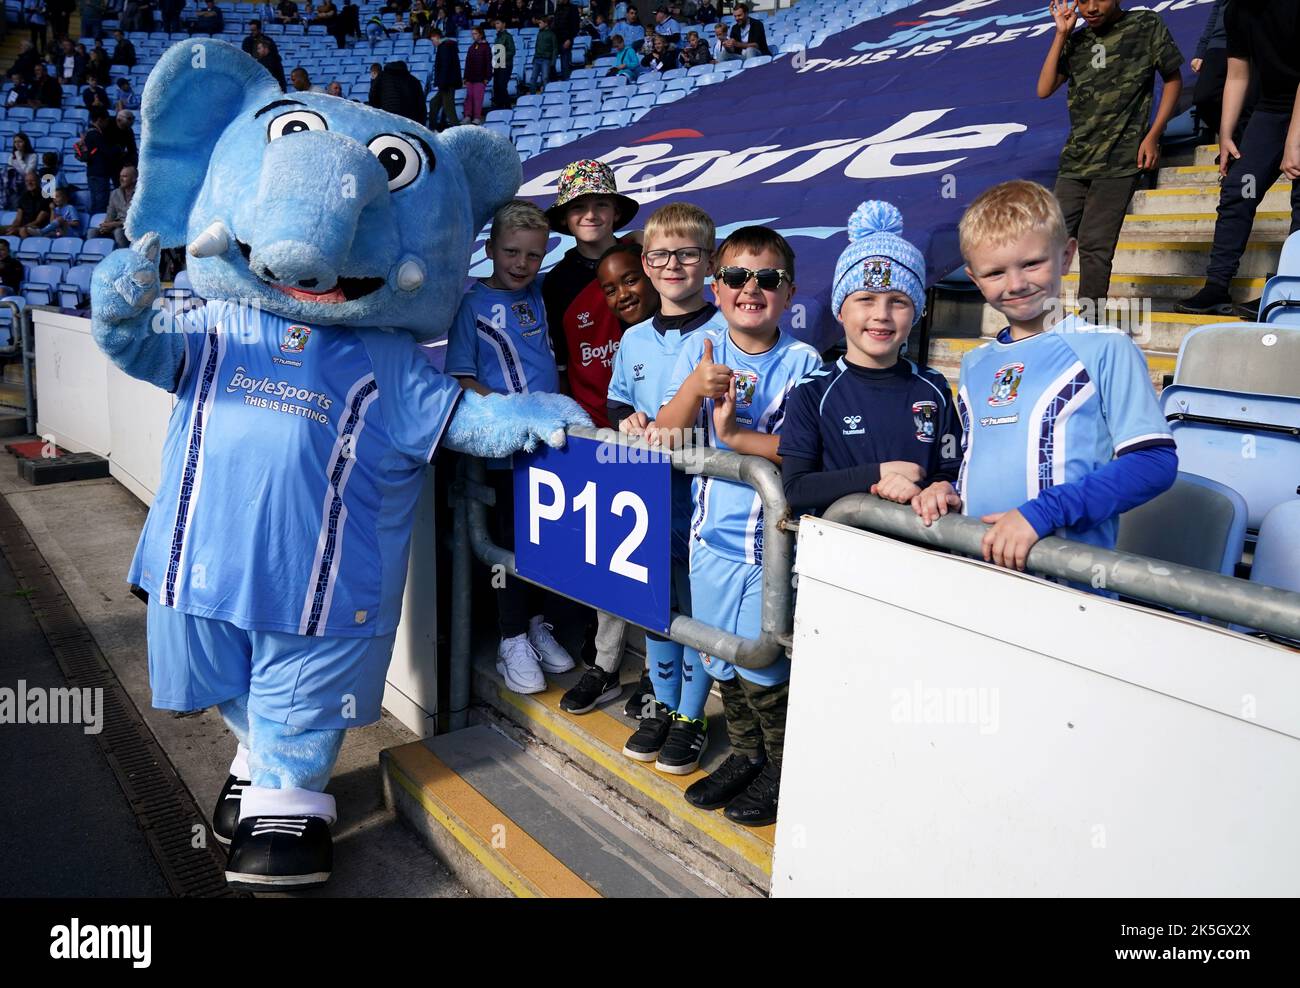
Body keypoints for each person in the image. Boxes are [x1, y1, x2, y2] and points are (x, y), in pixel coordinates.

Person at [913, 180, 1177, 575]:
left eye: (1032, 263)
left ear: (1067, 255)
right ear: (974, 278)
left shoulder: (1106, 347)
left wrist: (1044, 513)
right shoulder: (975, 363)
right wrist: (945, 489)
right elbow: (973, 460)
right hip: (975, 567)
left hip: (1067, 580)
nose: (1016, 284)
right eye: (995, 272)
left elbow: (1154, 462)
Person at [653, 226, 822, 824]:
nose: (752, 288)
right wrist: (694, 391)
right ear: (716, 288)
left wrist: (734, 437)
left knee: (761, 662)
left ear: (789, 290)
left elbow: (803, 451)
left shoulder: (804, 362)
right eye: (736, 277)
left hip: (766, 544)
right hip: (708, 541)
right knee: (722, 659)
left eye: (768, 278)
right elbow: (663, 440)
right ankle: (748, 755)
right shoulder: (699, 351)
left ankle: (782, 770)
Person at [576, 209, 716, 770]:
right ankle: (661, 703)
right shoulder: (633, 338)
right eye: (660, 256)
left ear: (709, 259)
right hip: (650, 499)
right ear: (646, 264)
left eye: (686, 254)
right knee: (657, 605)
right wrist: (629, 420)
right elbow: (616, 403)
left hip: (707, 503)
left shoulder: (725, 330)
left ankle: (693, 716)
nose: (673, 265)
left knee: (700, 610)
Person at [445, 200, 578, 695]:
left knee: (545, 541)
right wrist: (513, 411)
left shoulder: (539, 293)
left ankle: (537, 623)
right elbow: (459, 376)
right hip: (504, 449)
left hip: (548, 446)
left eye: (532, 255)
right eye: (511, 252)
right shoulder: (470, 306)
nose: (522, 264)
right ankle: (510, 637)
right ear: (490, 249)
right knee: (506, 545)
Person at [780, 199, 962, 524]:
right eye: (865, 299)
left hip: (920, 559)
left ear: (918, 311)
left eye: (898, 301)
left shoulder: (933, 387)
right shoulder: (812, 391)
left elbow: (950, 470)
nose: (881, 315)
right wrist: (878, 475)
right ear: (839, 310)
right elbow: (796, 488)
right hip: (835, 564)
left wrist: (935, 488)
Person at [542, 160, 641, 692]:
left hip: (654, 425)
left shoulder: (646, 257)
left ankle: (656, 668)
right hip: (591, 427)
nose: (591, 214)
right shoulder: (555, 282)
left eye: (600, 203)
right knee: (604, 549)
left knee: (659, 552)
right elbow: (560, 359)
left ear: (615, 209)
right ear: (566, 217)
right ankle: (606, 660)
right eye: (579, 206)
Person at [1037, 0, 1183, 314]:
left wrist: (1154, 135)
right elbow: (1044, 88)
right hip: (1076, 159)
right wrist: (1062, 34)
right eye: (1083, 0)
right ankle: (1039, 317)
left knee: (1094, 246)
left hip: (1120, 159)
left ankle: (1088, 321)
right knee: (1048, 241)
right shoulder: (1077, 40)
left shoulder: (1145, 25)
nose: (1090, 7)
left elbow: (1173, 80)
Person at [1176, 0, 1299, 319]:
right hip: (1271, 108)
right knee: (1240, 188)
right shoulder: (1238, 11)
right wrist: (1227, 134)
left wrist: (1294, 141)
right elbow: (1238, 74)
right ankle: (1217, 286)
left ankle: (1290, 293)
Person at [81, 108, 121, 215]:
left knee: (95, 201)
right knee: (101, 203)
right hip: (100, 173)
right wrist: (118, 148)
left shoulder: (88, 133)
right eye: (106, 120)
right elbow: (106, 151)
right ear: (100, 119)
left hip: (91, 172)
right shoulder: (96, 134)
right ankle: (99, 228)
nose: (107, 123)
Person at [426, 28, 461, 129]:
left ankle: (459, 130)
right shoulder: (447, 46)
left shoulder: (444, 47)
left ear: (437, 37)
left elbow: (445, 66)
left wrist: (442, 82)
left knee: (449, 108)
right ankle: (433, 128)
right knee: (434, 103)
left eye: (432, 40)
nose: (432, 43)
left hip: (447, 83)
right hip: (447, 82)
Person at [96, 164, 137, 247]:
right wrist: (106, 226)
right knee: (93, 232)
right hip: (115, 227)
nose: (121, 179)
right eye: (120, 176)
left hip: (133, 229)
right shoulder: (115, 193)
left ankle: (123, 257)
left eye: (125, 176)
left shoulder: (140, 195)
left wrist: (115, 224)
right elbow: (110, 215)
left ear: (134, 179)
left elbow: (137, 221)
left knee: (119, 232)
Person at [3, 169, 50, 237]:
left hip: (37, 228)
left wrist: (18, 229)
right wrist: (13, 227)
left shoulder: (46, 198)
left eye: (32, 181)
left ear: (39, 181)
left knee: (23, 230)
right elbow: (18, 219)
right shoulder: (23, 197)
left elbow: (38, 221)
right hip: (21, 226)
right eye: (27, 181)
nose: (29, 183)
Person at [460, 25, 492, 125]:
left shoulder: (486, 47)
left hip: (481, 78)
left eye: (475, 33)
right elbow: (467, 63)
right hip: (470, 77)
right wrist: (465, 77)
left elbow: (488, 63)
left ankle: (477, 117)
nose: (473, 36)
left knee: (478, 98)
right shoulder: (471, 47)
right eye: (472, 34)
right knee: (469, 98)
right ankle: (467, 116)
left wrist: (487, 77)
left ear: (481, 34)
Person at [5, 133, 38, 210]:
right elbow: (10, 171)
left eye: (20, 141)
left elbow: (27, 172)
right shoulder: (12, 156)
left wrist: (19, 158)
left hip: (28, 185)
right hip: (15, 185)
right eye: (15, 142)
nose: (17, 144)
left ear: (25, 142)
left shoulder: (33, 156)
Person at [529, 14, 557, 93]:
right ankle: (532, 95)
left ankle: (545, 95)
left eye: (540, 23)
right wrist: (534, 58)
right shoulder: (539, 33)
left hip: (546, 60)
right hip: (537, 59)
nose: (539, 24)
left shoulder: (552, 34)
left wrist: (553, 62)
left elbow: (555, 49)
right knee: (533, 78)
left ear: (546, 23)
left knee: (545, 78)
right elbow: (537, 47)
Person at [491, 17, 514, 110]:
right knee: (496, 86)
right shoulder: (497, 37)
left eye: (498, 23)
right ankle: (500, 106)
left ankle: (507, 106)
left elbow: (512, 51)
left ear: (503, 24)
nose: (496, 25)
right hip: (498, 65)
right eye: (496, 23)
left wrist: (501, 57)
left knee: (502, 85)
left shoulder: (508, 36)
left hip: (506, 65)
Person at [552, 0, 578, 80]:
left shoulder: (573, 8)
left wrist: (570, 39)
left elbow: (575, 25)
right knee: (551, 64)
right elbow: (555, 23)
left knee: (565, 65)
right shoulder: (558, 8)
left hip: (566, 40)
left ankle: (565, 84)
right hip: (556, 40)